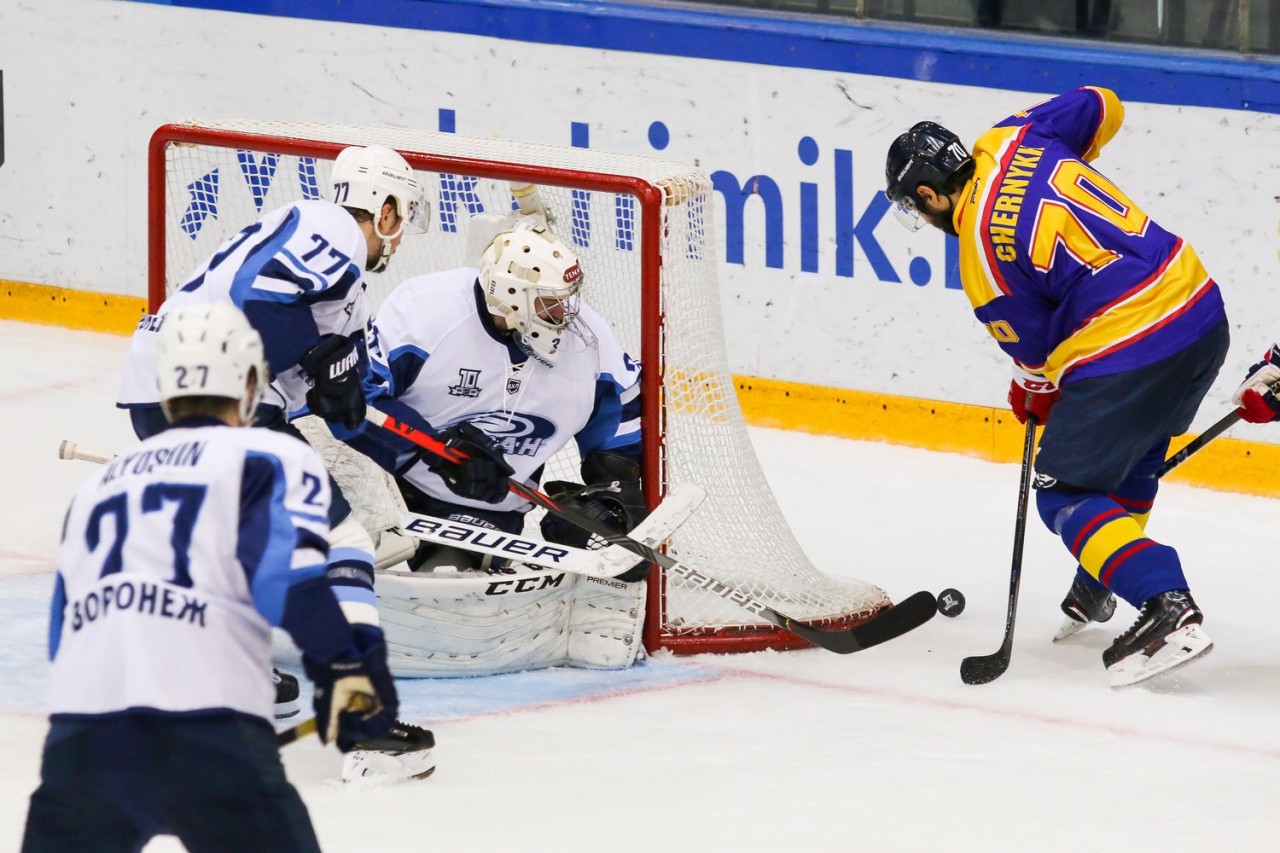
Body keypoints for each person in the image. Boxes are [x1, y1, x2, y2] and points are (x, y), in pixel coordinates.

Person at [22, 303, 400, 853]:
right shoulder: (271, 457)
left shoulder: (96, 489)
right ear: (251, 384)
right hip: (207, 738)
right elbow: (286, 585)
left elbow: (65, 638)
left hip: (84, 747)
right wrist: (349, 670)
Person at [884, 86, 1227, 687]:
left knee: (1061, 492)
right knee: (1134, 455)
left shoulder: (981, 259)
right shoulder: (1012, 136)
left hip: (1128, 346)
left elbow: (1041, 367)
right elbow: (1105, 103)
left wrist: (1030, 393)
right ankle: (1100, 580)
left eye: (918, 207)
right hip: (1199, 309)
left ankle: (1165, 602)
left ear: (930, 194)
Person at [114, 144, 434, 772]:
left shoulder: (348, 293)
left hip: (156, 388)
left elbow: (353, 414)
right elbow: (251, 299)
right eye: (401, 214)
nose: (399, 235)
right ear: (385, 207)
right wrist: (318, 356)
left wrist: (445, 457)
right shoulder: (331, 228)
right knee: (341, 537)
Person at [348, 218, 650, 675]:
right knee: (344, 567)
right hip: (390, 485)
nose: (566, 317)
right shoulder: (425, 311)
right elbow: (360, 399)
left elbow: (623, 419)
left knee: (448, 605)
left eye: (566, 302)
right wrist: (434, 449)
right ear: (511, 298)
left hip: (490, 505)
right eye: (550, 305)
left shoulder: (589, 339)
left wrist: (614, 497)